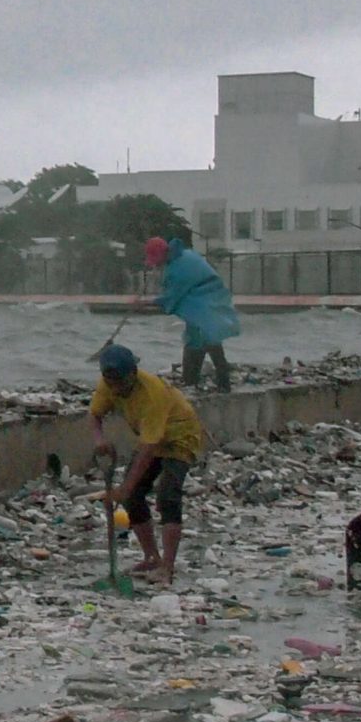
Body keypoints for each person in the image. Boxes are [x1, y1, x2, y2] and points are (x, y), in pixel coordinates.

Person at [89, 343, 205, 583]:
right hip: (150, 438)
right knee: (133, 498)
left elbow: (149, 448)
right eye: (110, 381)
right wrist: (99, 439)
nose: (116, 388)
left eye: (120, 381)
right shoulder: (107, 384)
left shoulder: (153, 393)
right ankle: (151, 556)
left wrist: (124, 489)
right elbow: (95, 413)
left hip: (179, 437)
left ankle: (167, 567)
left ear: (132, 373)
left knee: (167, 497)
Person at [145, 234, 241, 391]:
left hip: (203, 302)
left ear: (161, 254)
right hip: (214, 296)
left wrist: (150, 302)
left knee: (206, 339)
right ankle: (205, 382)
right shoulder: (186, 254)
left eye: (155, 260)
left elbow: (172, 297)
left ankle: (196, 382)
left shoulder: (176, 269)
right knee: (204, 339)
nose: (155, 264)